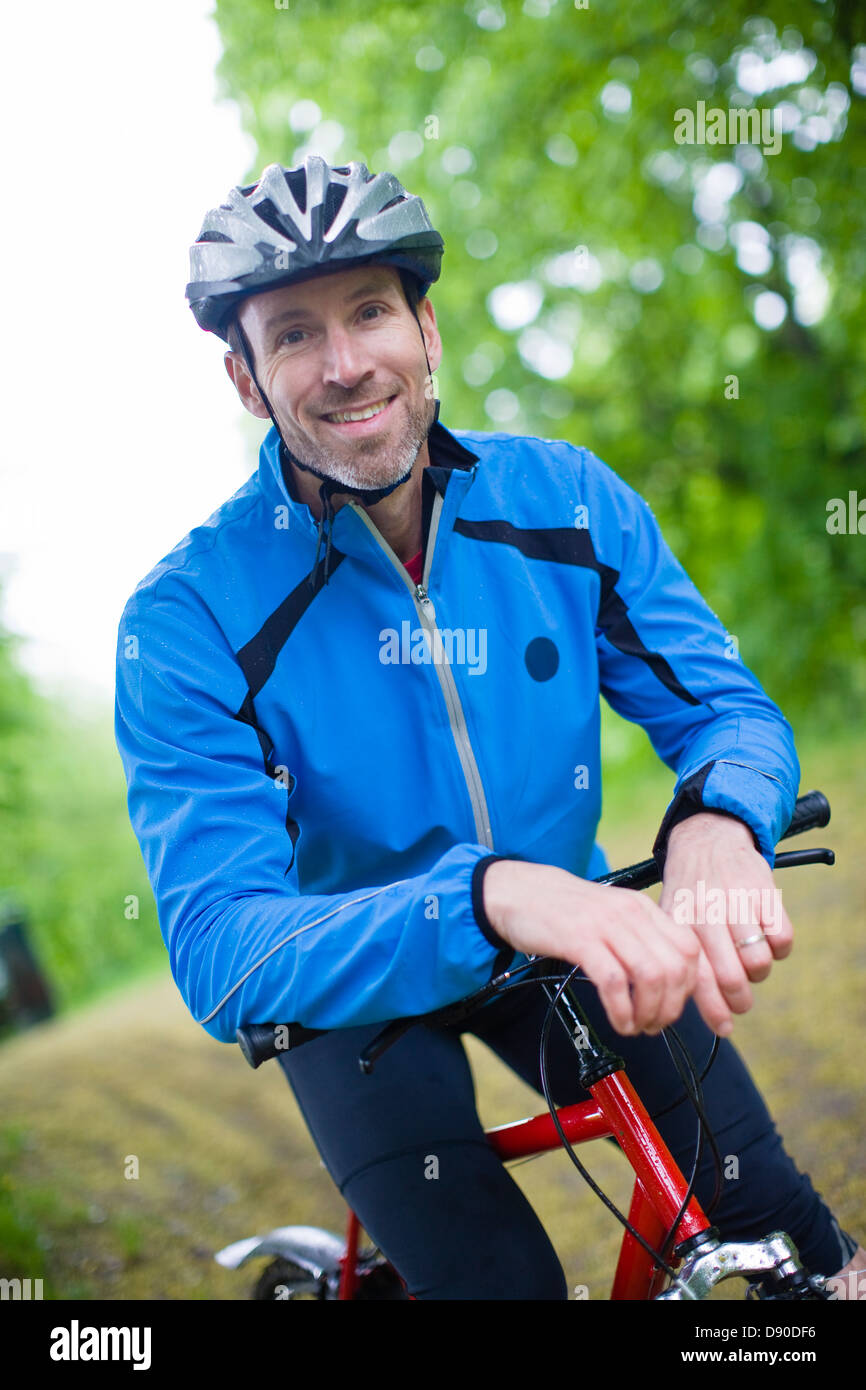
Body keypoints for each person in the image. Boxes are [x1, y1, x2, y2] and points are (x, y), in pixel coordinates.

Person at [115, 155, 863, 1299]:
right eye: (295, 334)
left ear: (427, 330)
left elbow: (723, 709)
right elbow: (223, 945)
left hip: (555, 934)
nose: (346, 362)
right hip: (349, 993)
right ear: (247, 382)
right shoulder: (188, 616)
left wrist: (716, 816)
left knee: (789, 1237)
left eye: (369, 311)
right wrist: (483, 892)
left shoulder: (562, 499)